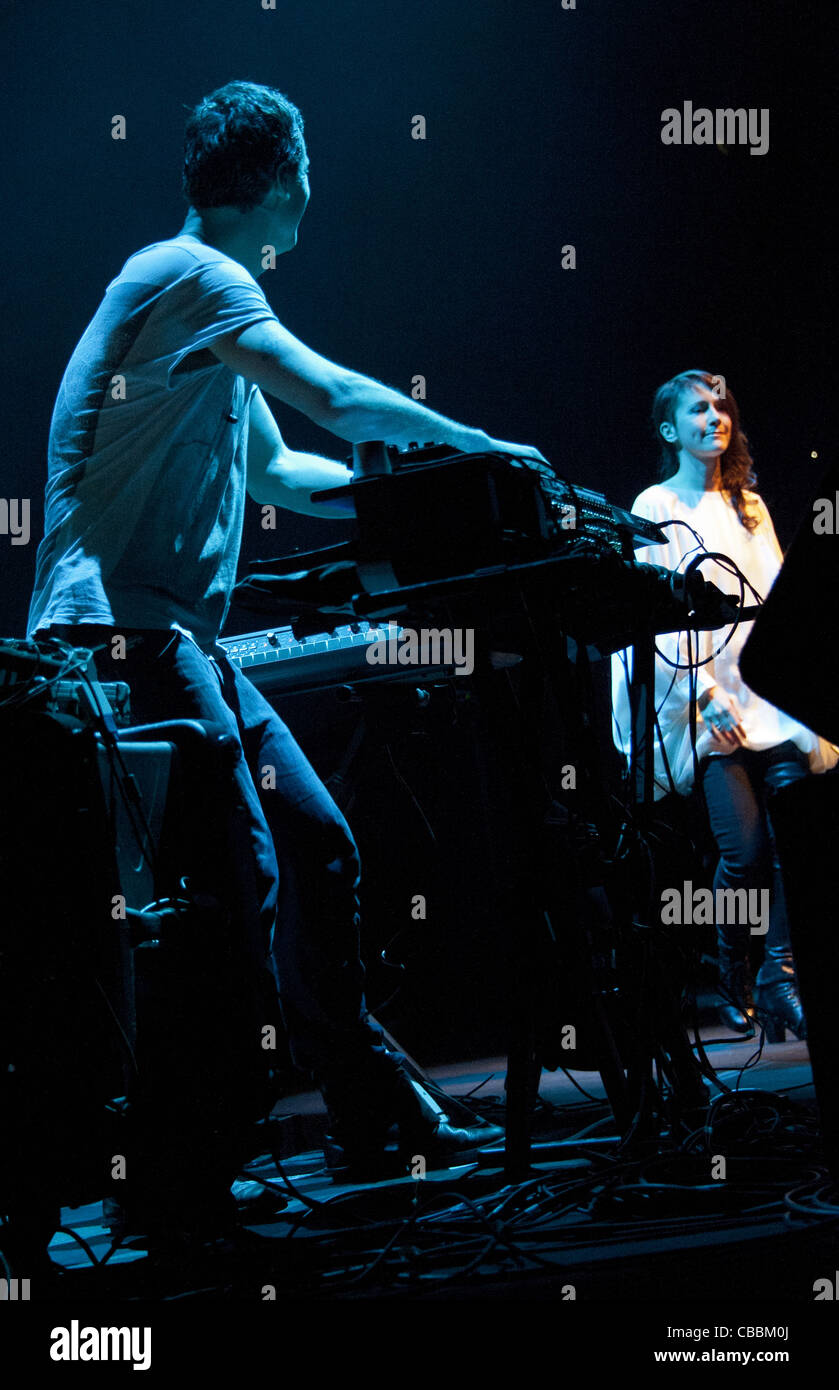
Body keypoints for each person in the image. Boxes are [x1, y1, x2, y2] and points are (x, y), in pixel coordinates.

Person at [26, 80, 536, 1202]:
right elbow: (334, 397)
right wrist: (478, 449)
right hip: (117, 635)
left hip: (175, 637)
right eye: (309, 171)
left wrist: (415, 498)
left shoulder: (203, 306)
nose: (316, 189)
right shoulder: (195, 275)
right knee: (238, 879)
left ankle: (366, 1110)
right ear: (282, 176)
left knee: (318, 844)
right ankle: (181, 1174)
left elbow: (282, 470)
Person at [611, 369, 836, 1040]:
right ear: (668, 429)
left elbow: (775, 600)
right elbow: (652, 615)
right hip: (705, 700)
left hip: (766, 699)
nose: (715, 417)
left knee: (793, 844)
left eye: (721, 406)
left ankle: (777, 976)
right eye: (698, 409)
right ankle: (726, 965)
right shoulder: (654, 504)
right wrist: (705, 693)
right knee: (742, 851)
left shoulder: (750, 505)